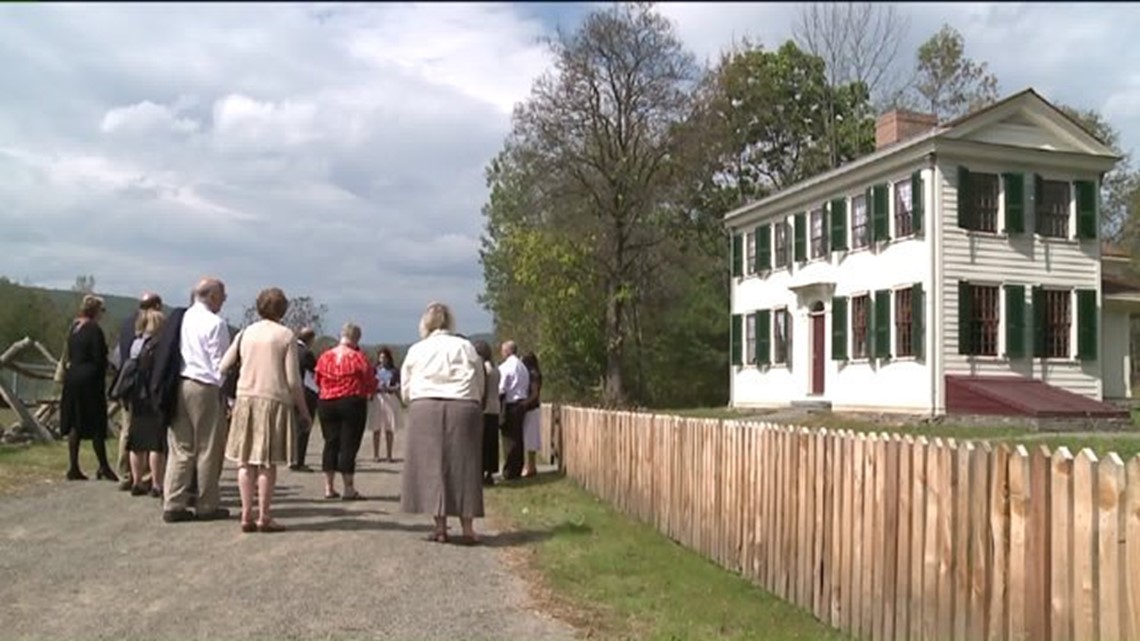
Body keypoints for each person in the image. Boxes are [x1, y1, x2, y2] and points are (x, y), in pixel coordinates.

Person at [221, 288, 312, 533]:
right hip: (274, 400)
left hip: (245, 399)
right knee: (267, 462)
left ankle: (246, 513)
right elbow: (293, 380)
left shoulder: (245, 333)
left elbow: (223, 365)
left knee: (245, 461)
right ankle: (264, 515)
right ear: (283, 309)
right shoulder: (285, 335)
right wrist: (303, 411)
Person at [400, 302, 486, 544]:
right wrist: (475, 400)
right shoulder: (466, 346)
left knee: (431, 466)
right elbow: (479, 380)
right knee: (466, 465)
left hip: (424, 405)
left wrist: (413, 401)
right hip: (463, 404)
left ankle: (440, 528)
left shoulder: (417, 349)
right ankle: (468, 528)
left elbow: (406, 387)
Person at [162, 278, 231, 524]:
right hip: (205, 385)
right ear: (212, 296)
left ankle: (173, 502)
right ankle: (207, 504)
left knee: (181, 447)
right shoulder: (216, 323)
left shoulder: (183, 318)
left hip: (181, 383)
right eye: (222, 295)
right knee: (208, 447)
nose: (224, 300)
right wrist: (225, 393)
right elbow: (220, 363)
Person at [314, 322, 375, 501]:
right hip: (351, 401)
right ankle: (348, 488)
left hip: (326, 401)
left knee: (330, 442)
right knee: (349, 444)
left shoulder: (325, 356)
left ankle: (328, 487)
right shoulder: (358, 357)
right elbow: (370, 381)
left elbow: (317, 378)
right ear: (356, 339)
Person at [60, 295, 116, 481]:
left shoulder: (74, 327)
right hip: (90, 380)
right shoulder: (94, 329)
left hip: (73, 376)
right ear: (96, 311)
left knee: (75, 421)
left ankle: (73, 466)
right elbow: (99, 357)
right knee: (97, 421)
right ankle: (104, 466)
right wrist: (110, 370)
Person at [113, 291, 164, 491]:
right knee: (154, 440)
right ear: (157, 306)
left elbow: (118, 357)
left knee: (129, 434)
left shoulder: (128, 325)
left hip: (131, 387)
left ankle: (127, 475)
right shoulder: (157, 337)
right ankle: (152, 478)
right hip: (149, 390)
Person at [122, 308, 168, 498]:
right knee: (156, 444)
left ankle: (137, 480)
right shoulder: (160, 346)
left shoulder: (136, 344)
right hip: (153, 396)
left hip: (137, 396)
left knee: (137, 442)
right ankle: (157, 484)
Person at [497, 340, 529, 481]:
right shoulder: (522, 367)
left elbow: (501, 388)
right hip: (522, 403)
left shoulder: (506, 367)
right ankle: (518, 467)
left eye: (503, 351)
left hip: (511, 404)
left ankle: (510, 470)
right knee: (518, 437)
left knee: (509, 438)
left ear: (507, 351)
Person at [289, 327, 319, 472]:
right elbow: (316, 371)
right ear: (310, 339)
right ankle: (299, 461)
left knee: (293, 427)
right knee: (303, 427)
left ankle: (291, 458)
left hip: (289, 392)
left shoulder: (291, 350)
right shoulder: (306, 353)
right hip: (305, 393)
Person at [471, 340, 500, 486]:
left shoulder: (484, 369)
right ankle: (490, 472)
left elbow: (483, 389)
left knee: (483, 444)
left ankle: (481, 471)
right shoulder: (495, 368)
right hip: (495, 408)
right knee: (492, 443)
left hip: (485, 409)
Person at [367, 346, 400, 463]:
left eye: (384, 357)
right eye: (381, 357)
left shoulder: (394, 371)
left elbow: (398, 385)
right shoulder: (374, 370)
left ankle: (389, 455)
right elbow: (369, 383)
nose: (382, 360)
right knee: (376, 428)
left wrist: (390, 388)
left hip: (389, 398)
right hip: (377, 398)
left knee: (389, 428)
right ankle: (376, 455)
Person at [520, 352, 543, 478]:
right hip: (532, 408)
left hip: (531, 409)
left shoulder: (533, 375)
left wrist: (525, 403)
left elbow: (534, 393)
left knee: (530, 439)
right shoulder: (533, 373)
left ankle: (531, 466)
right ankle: (529, 465)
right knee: (529, 439)